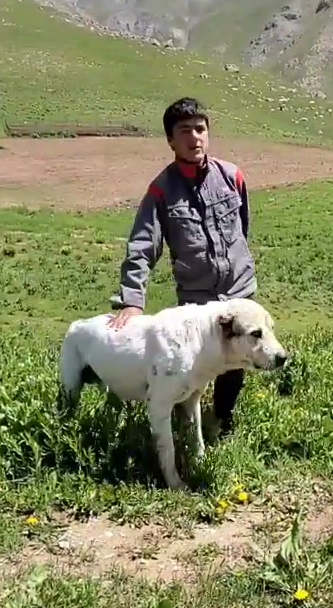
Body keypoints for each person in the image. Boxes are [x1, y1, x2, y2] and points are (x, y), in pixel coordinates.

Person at [107, 96, 257, 438]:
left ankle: (222, 421)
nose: (195, 137)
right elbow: (142, 245)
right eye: (185, 131)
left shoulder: (232, 176)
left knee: (237, 360)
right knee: (193, 364)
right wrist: (132, 300)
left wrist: (238, 265)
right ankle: (185, 428)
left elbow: (242, 229)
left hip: (238, 289)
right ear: (171, 140)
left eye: (201, 129)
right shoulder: (161, 190)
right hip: (198, 297)